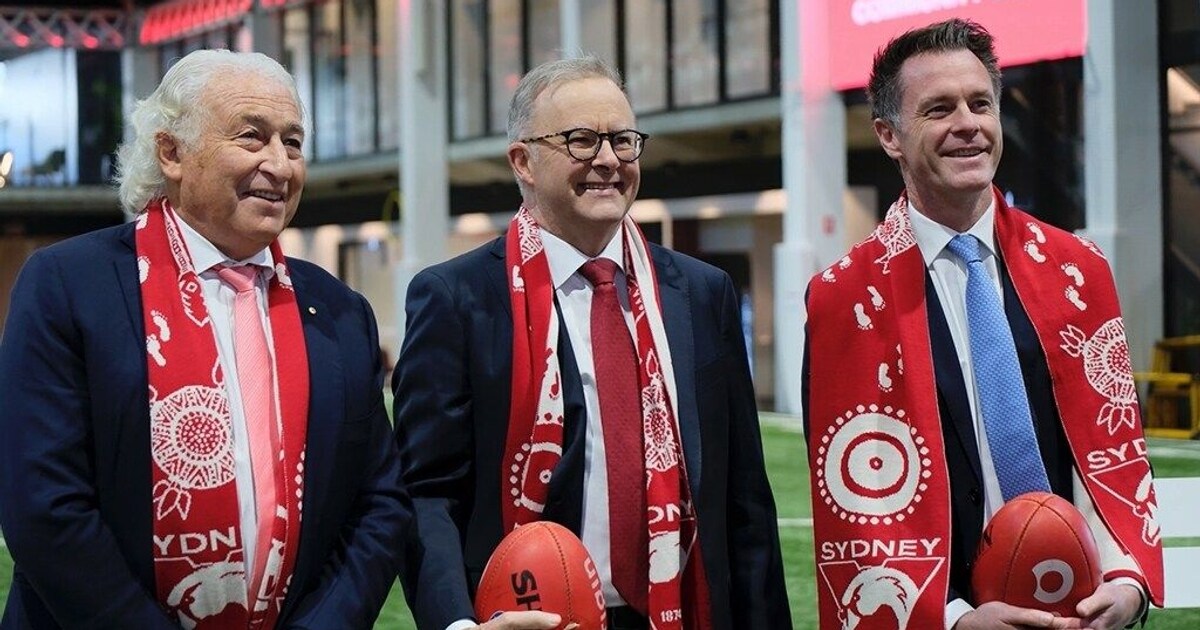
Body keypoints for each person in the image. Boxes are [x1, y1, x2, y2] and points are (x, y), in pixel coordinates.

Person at [0, 49, 410, 629]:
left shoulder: (340, 311)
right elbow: (44, 508)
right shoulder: (70, 286)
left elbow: (378, 503)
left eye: (293, 143)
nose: (280, 164)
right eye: (252, 136)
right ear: (171, 152)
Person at [392, 56, 791, 630]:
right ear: (522, 161)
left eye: (623, 140)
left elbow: (745, 501)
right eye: (581, 140)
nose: (608, 160)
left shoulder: (702, 294)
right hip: (526, 617)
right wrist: (459, 625)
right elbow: (426, 492)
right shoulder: (455, 299)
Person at [802, 19, 1164, 630]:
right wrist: (950, 619)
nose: (967, 124)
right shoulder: (842, 298)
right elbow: (849, 500)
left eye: (980, 103)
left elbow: (1113, 448)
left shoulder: (1080, 271)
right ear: (889, 136)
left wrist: (1127, 579)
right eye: (938, 109)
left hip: (1081, 603)